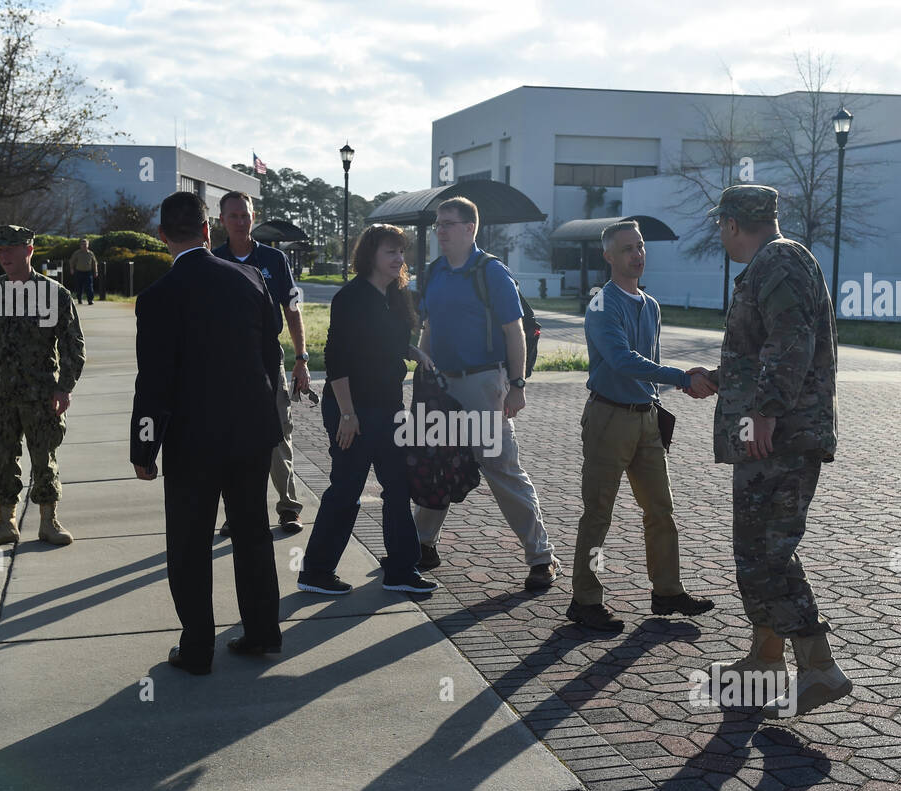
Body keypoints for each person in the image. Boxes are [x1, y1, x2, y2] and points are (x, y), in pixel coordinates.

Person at [687, 184, 851, 717]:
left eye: (720, 224)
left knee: (767, 554)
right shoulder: (776, 261)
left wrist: (765, 410)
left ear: (734, 222)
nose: (719, 233)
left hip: (780, 438)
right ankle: (764, 660)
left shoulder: (779, 260)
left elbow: (790, 340)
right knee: (753, 551)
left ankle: (819, 665)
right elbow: (767, 347)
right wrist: (727, 379)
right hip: (767, 435)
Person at [131, 191, 283, 673]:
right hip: (250, 433)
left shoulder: (156, 298)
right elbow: (270, 357)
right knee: (253, 533)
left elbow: (153, 381)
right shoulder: (251, 278)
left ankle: (197, 648)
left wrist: (144, 444)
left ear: (161, 238)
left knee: (190, 543)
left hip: (191, 440)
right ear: (207, 230)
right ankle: (262, 632)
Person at [567, 221, 717, 631]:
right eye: (627, 249)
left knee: (660, 509)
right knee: (598, 513)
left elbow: (648, 365)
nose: (637, 255)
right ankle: (585, 599)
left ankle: (667, 591)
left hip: (646, 417)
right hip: (608, 418)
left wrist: (677, 387)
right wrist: (683, 377)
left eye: (641, 247)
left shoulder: (650, 304)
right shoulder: (602, 304)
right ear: (609, 256)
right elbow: (623, 360)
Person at [414, 197, 559, 591]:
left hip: (482, 384)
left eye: (448, 224)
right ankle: (422, 545)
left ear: (469, 228)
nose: (440, 231)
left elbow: (515, 333)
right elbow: (428, 326)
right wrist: (422, 370)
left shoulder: (491, 272)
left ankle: (540, 557)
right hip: (441, 383)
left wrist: (517, 386)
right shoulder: (435, 271)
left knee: (500, 467)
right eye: (438, 224)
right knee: (436, 463)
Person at [297, 224, 437, 597]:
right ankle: (315, 571)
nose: (399, 259)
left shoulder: (395, 295)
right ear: (371, 255)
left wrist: (414, 351)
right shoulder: (352, 297)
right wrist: (347, 413)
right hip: (352, 408)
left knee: (397, 486)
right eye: (391, 251)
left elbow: (386, 342)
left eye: (401, 252)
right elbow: (337, 358)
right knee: (347, 488)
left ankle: (401, 570)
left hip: (389, 405)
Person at [0, 225, 85, 549]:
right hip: (0, 394)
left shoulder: (53, 293)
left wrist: (64, 387)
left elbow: (73, 344)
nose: (4, 255)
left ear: (29, 250)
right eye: (0, 250)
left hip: (40, 394)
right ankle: (5, 523)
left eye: (11, 249)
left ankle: (48, 521)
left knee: (44, 458)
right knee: (1, 458)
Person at [212, 191, 306, 537]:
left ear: (254, 216)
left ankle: (288, 507)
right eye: (233, 215)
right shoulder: (213, 260)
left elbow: (292, 311)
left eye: (245, 215)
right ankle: (236, 512)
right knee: (233, 439)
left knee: (279, 435)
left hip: (269, 358)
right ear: (221, 220)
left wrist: (302, 358)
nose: (240, 221)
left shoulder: (275, 260)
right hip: (228, 363)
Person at [68, 238, 98, 306]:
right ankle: (79, 299)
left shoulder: (90, 253)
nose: (84, 246)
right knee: (79, 287)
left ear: (88, 245)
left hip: (88, 272)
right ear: (80, 245)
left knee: (89, 287)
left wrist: (96, 272)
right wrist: (72, 269)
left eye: (85, 244)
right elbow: (71, 261)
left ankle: (90, 300)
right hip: (79, 272)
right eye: (83, 244)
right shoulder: (77, 253)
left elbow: (94, 263)